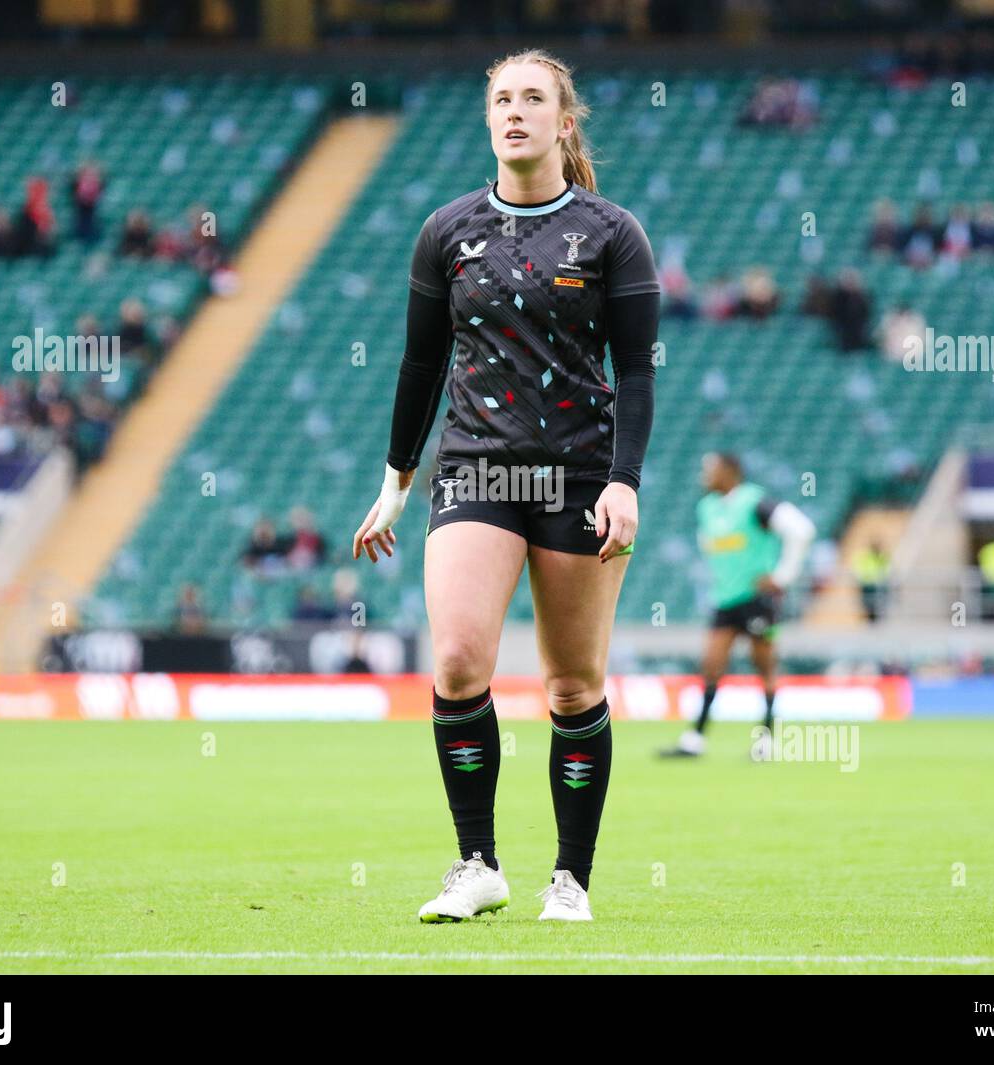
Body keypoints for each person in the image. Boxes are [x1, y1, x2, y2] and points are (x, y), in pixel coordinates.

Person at [352, 49, 660, 923]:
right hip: (476, 468)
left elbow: (636, 374)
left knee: (571, 685)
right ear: (487, 119)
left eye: (534, 98)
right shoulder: (447, 230)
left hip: (579, 477)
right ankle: (477, 862)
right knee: (455, 660)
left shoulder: (612, 232)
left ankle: (570, 879)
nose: (515, 111)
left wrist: (625, 482)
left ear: (565, 122)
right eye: (501, 99)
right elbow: (421, 363)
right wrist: (395, 483)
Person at [661, 452, 815, 761]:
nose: (704, 475)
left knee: (764, 665)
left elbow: (802, 529)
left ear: (730, 471)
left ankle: (766, 740)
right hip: (725, 598)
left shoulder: (755, 501)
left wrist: (783, 575)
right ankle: (695, 739)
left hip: (757, 599)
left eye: (710, 469)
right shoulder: (706, 508)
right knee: (711, 665)